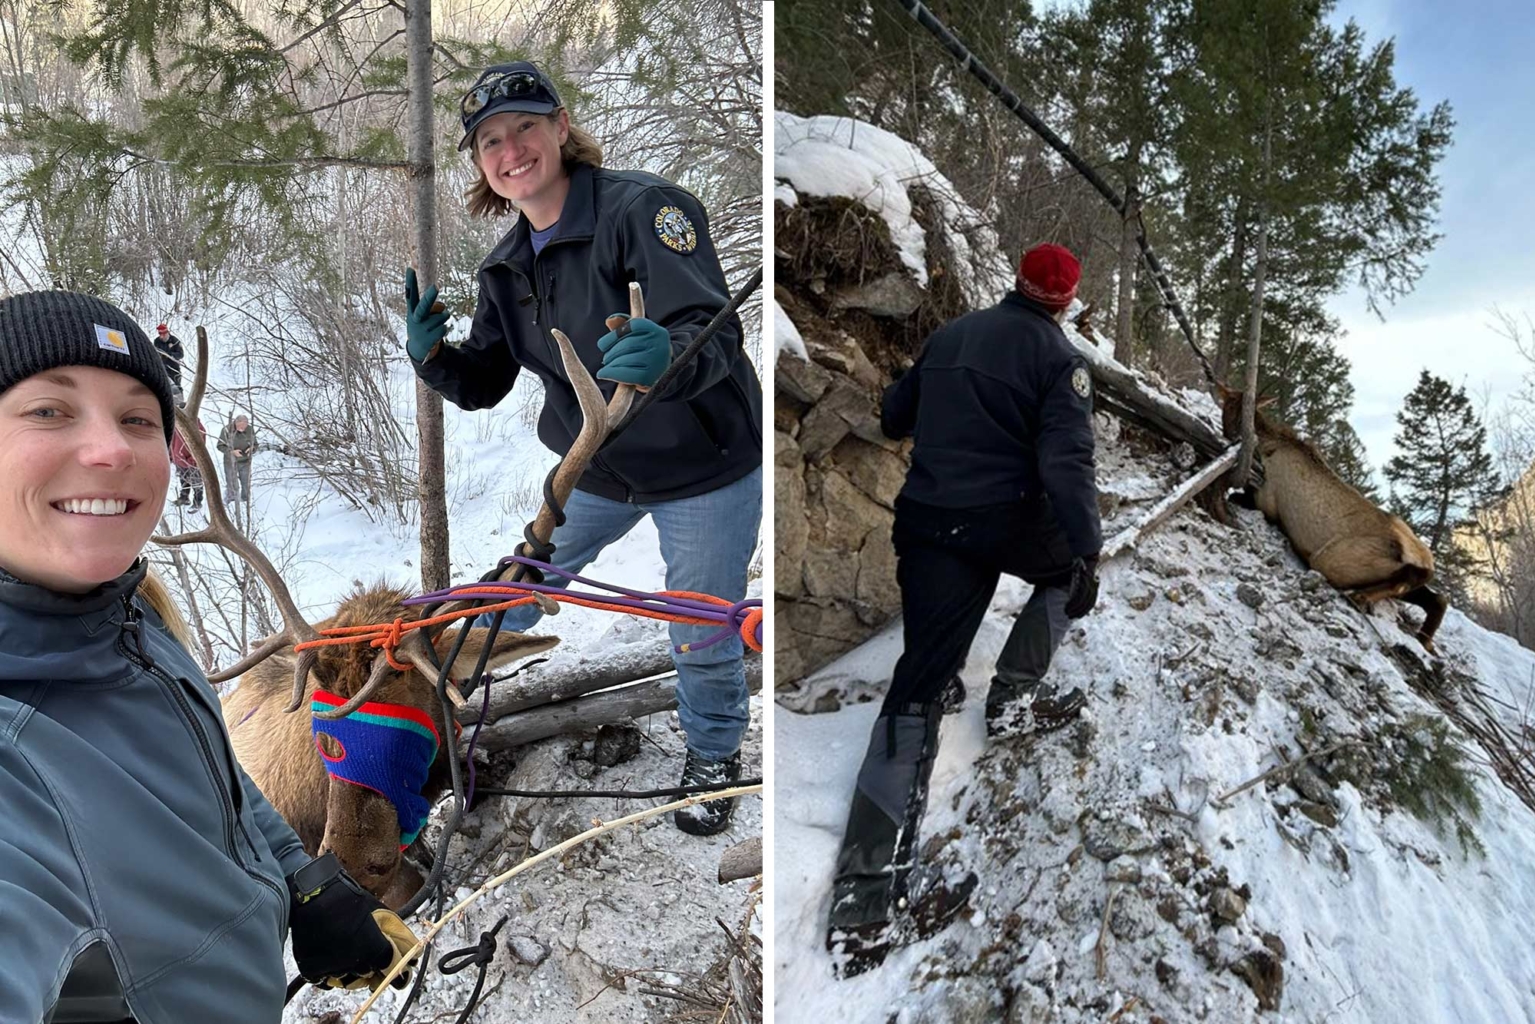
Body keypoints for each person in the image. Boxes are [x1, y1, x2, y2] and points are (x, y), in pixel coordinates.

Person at [0, 290, 416, 1022]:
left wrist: (302, 882)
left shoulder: (135, 619)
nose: (110, 450)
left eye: (138, 419)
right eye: (48, 410)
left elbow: (210, 780)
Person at [404, 61, 762, 836]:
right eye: (490, 142)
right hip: (598, 468)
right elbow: (484, 382)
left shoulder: (646, 210)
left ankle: (714, 756)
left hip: (703, 464)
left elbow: (713, 329)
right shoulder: (505, 267)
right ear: (480, 163)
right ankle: (443, 725)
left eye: (525, 127)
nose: (511, 150)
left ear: (561, 128)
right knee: (512, 590)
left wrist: (667, 356)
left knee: (701, 626)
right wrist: (433, 357)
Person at [825, 243, 1104, 974]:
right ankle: (1012, 698)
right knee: (1064, 577)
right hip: (1007, 523)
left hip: (930, 522)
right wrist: (1087, 550)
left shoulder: (952, 336)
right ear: (1066, 301)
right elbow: (1066, 462)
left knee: (917, 683)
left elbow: (894, 416)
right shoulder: (1060, 362)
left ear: (1018, 281)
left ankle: (861, 904)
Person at [170, 399, 206, 512]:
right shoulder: (175, 425)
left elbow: (200, 447)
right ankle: (184, 498)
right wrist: (172, 456)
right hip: (179, 460)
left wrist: (192, 460)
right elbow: (172, 441)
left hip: (192, 462)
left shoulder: (197, 426)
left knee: (196, 482)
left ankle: (197, 502)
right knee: (184, 480)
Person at [217, 412, 257, 512]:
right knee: (231, 481)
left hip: (245, 461)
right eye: (241, 427)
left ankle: (245, 499)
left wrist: (252, 449)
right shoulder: (226, 430)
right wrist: (231, 452)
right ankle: (230, 497)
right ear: (236, 422)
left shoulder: (250, 429)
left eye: (245, 426)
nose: (243, 429)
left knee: (245, 481)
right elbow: (220, 446)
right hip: (230, 461)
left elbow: (255, 444)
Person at [151, 323, 183, 387]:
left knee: (176, 387)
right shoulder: (157, 341)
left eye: (163, 334)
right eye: (160, 334)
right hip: (162, 369)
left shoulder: (175, 341)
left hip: (174, 369)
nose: (162, 337)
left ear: (167, 333)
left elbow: (181, 354)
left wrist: (170, 355)